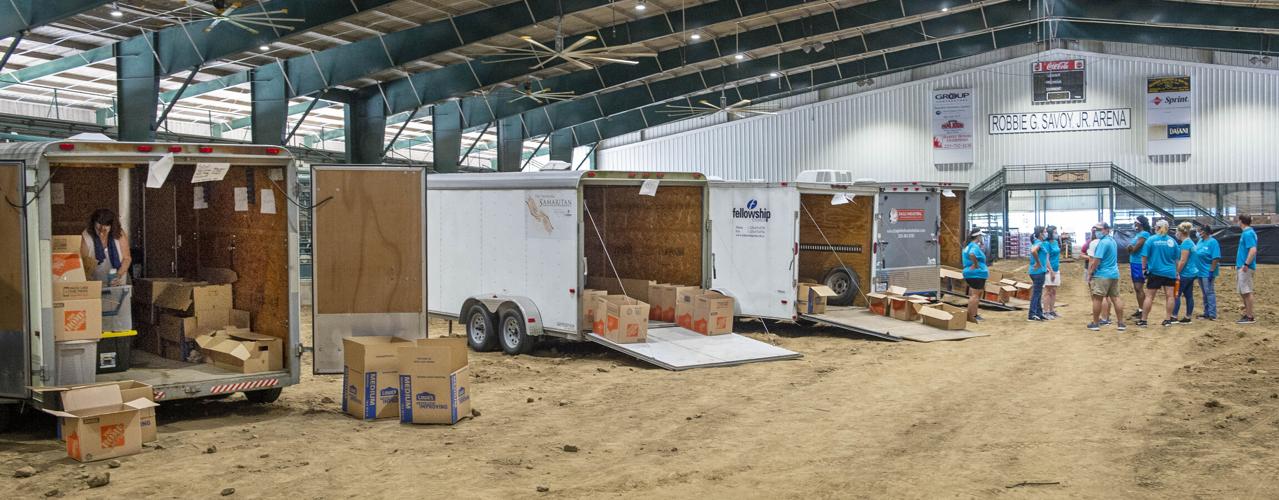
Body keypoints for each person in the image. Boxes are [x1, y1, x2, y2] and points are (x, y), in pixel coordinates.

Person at [1086, 222, 1126, 331]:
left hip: (1102, 274)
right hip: (1114, 273)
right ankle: (1121, 323)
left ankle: (1095, 323)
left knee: (1097, 298)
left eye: (1099, 229)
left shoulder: (1102, 243)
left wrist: (1090, 273)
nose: (1097, 232)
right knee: (1116, 298)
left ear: (1106, 229)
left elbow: (1096, 260)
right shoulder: (1112, 241)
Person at [1140, 219, 1179, 327]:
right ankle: (1167, 319)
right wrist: (1177, 272)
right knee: (1170, 296)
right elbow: (1176, 259)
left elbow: (1144, 256)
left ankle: (1144, 320)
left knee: (1149, 297)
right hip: (1170, 272)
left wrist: (1143, 269)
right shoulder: (1172, 241)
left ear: (1157, 228)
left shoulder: (1151, 240)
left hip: (1155, 272)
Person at [80, 208, 131, 286]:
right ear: (93, 225)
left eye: (105, 230)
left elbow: (127, 258)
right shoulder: (87, 236)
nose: (101, 234)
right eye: (98, 229)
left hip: (117, 283)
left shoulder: (119, 233)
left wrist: (118, 274)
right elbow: (83, 263)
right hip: (95, 283)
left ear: (112, 227)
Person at [1171, 221, 1199, 324]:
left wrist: (1177, 272)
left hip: (1185, 273)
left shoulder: (1186, 244)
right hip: (1191, 273)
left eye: (1177, 231)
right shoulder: (1190, 242)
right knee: (1188, 295)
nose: (1176, 233)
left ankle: (1174, 316)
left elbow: (1183, 260)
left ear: (1180, 232)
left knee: (1176, 294)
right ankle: (1188, 316)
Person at [1194, 224, 1221, 320]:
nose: (1198, 232)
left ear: (1204, 231)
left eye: (1199, 231)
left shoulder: (1213, 242)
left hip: (1207, 271)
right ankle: (1206, 312)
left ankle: (1212, 314)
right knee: (1204, 293)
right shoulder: (1200, 241)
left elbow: (1216, 257)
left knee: (1209, 292)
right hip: (1200, 271)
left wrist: (1211, 270)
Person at [962, 228, 989, 323]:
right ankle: (973, 315)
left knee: (974, 295)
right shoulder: (974, 246)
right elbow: (972, 254)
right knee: (975, 295)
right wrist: (976, 264)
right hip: (976, 274)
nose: (982, 238)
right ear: (978, 236)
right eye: (981, 236)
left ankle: (971, 315)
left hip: (970, 273)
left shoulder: (968, 245)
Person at [1127, 216, 1152, 320]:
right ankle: (1141, 309)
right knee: (1137, 288)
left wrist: (1130, 248)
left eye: (1136, 222)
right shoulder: (1139, 234)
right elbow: (1131, 248)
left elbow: (1134, 249)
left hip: (1139, 263)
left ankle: (1143, 311)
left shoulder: (1144, 234)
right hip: (1134, 263)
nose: (1134, 224)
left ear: (1140, 224)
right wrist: (1130, 248)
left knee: (1138, 287)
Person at [1236, 215, 1258, 324]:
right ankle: (1247, 314)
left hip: (1245, 267)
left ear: (1241, 221)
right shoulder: (1247, 233)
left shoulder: (1248, 233)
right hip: (1243, 266)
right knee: (1243, 291)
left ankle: (1249, 316)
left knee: (1247, 291)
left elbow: (1253, 250)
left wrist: (1246, 264)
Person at [1027, 226, 1048, 322]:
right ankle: (1032, 314)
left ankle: (1039, 313)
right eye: (1045, 231)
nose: (1046, 233)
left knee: (1038, 293)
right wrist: (1039, 263)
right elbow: (1033, 251)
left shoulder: (1038, 242)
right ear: (1040, 234)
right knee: (1036, 293)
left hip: (1036, 271)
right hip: (1038, 272)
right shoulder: (1039, 243)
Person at [1042, 225, 1061, 319]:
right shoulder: (1046, 244)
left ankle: (1052, 310)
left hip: (1056, 269)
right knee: (1047, 291)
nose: (1056, 234)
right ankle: (1045, 312)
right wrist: (1051, 271)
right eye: (1054, 232)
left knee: (1053, 291)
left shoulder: (1056, 242)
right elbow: (1046, 258)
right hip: (1050, 270)